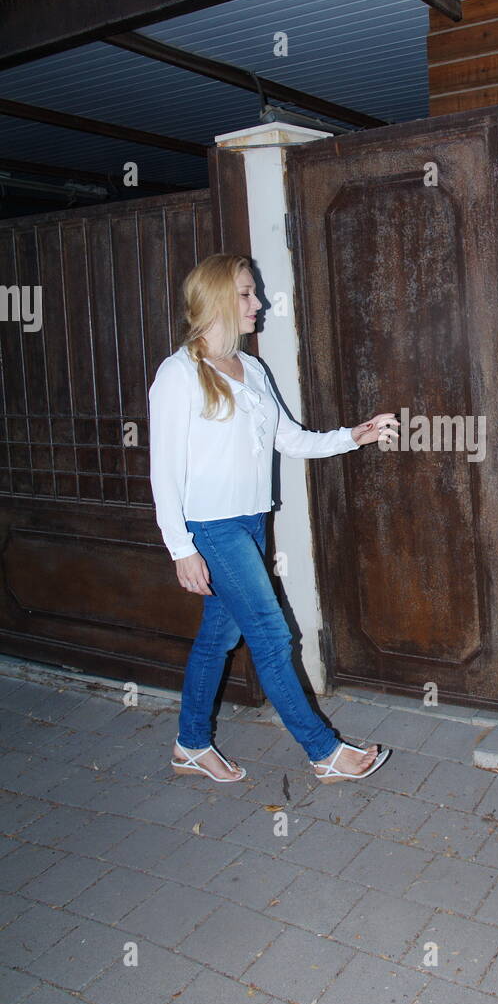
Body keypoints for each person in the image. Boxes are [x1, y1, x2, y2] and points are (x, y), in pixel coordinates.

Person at [147, 253, 398, 786]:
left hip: (251, 522)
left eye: (254, 293)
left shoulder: (252, 368)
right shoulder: (179, 374)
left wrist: (354, 436)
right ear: (217, 299)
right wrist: (181, 548)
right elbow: (162, 471)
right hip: (211, 529)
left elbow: (290, 438)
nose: (257, 303)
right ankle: (323, 751)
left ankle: (190, 744)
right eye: (245, 293)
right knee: (270, 634)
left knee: (218, 636)